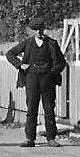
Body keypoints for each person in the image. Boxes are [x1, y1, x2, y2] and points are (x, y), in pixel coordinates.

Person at [6, 18, 63, 147]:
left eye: (41, 29)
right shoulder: (27, 43)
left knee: (49, 109)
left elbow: (61, 62)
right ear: (33, 31)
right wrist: (20, 65)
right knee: (31, 108)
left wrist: (52, 72)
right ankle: (30, 139)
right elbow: (10, 54)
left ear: (44, 29)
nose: (39, 32)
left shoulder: (51, 43)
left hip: (47, 80)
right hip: (31, 79)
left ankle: (51, 138)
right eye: (36, 30)